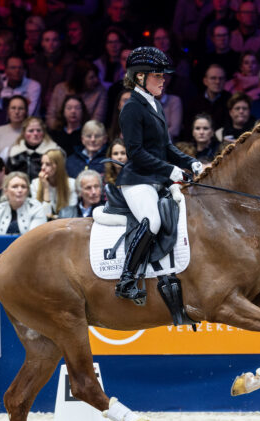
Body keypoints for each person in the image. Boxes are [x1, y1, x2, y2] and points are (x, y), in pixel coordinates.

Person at [114, 46, 201, 303]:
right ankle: (126, 279)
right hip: (137, 179)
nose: (163, 79)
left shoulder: (155, 104)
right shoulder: (131, 108)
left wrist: (191, 163)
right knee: (152, 220)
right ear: (140, 77)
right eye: (158, 76)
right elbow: (136, 153)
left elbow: (167, 147)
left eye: (163, 76)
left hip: (155, 178)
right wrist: (171, 170)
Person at [31, 148, 77, 220]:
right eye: (42, 163)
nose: (42, 167)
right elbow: (42, 217)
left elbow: (69, 216)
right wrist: (46, 188)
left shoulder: (72, 184)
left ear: (59, 166)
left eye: (48, 164)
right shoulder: (35, 184)